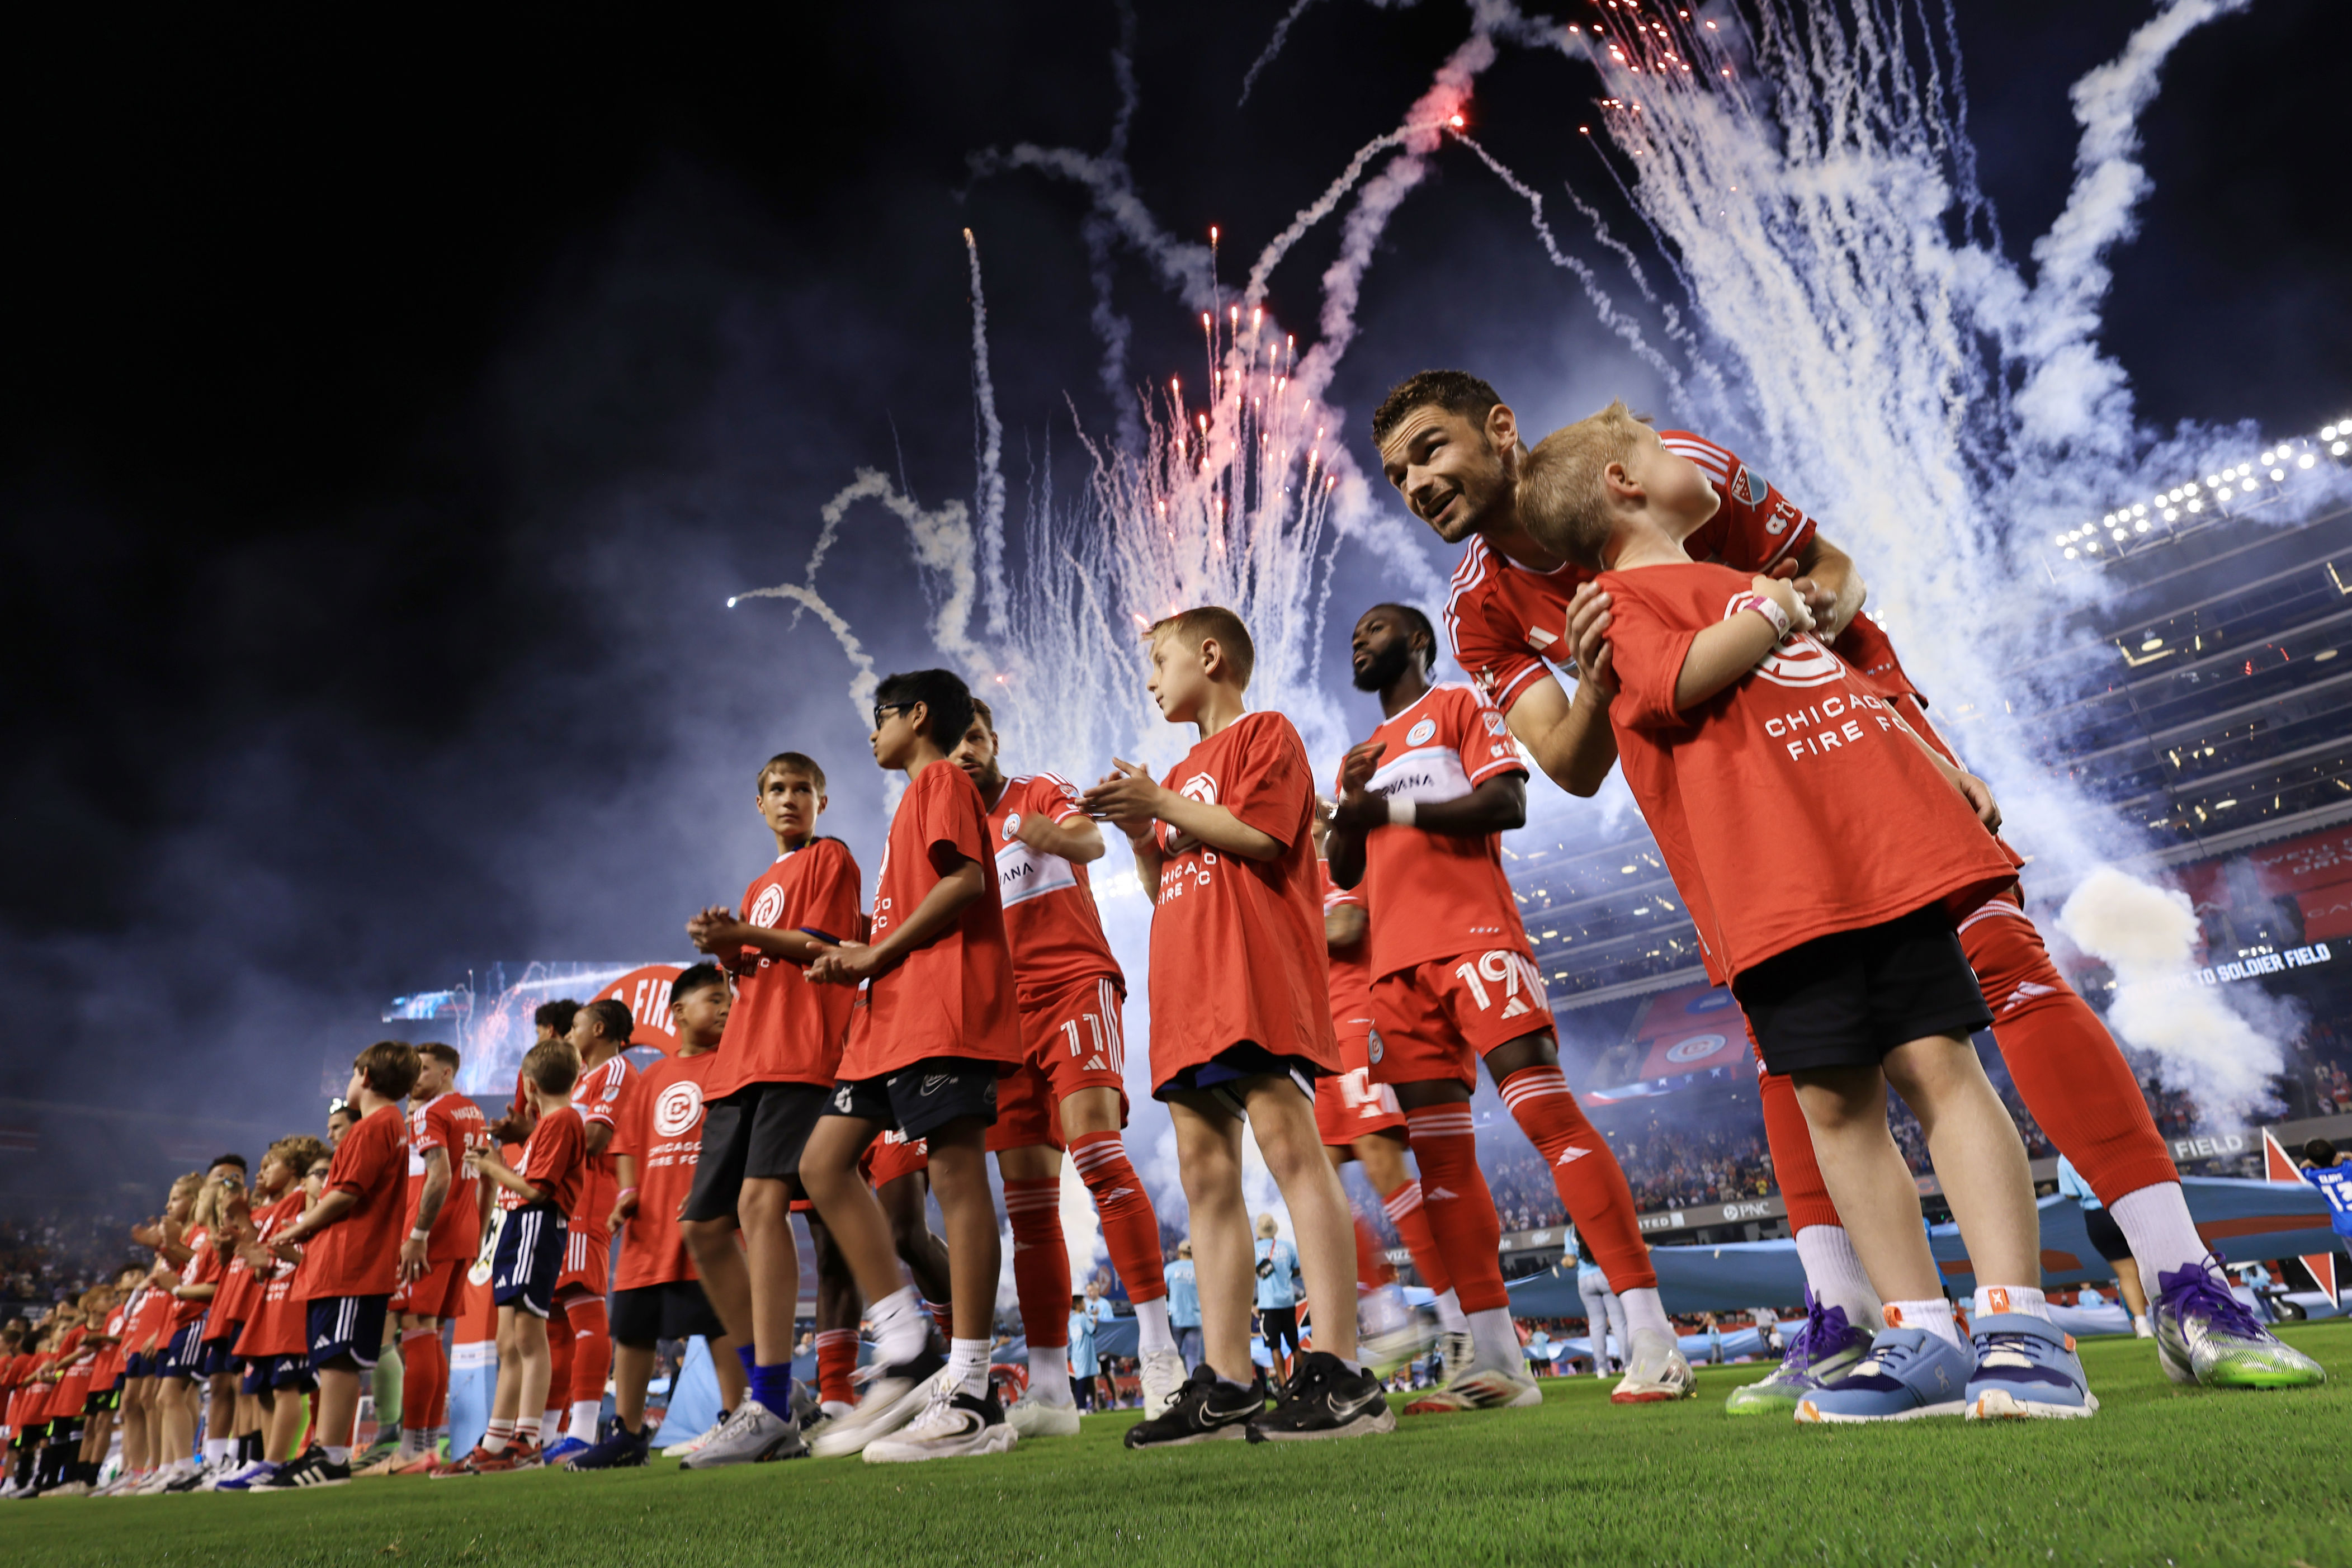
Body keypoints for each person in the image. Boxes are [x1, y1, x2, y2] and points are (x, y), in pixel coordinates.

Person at [1377, 367, 2324, 1400]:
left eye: (1430, 450)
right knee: (1793, 1044)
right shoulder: (1478, 606)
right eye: (1396, 474)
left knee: (2003, 960)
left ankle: (2183, 1281)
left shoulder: (1661, 467)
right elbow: (1567, 762)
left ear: (1499, 429)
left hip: (1847, 727)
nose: (1416, 483)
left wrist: (1833, 679)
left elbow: (1833, 569)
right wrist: (1606, 675)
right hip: (1731, 795)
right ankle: (1851, 1316)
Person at [1517, 401, 2093, 1423]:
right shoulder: (1615, 607)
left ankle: (2023, 1326)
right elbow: (1675, 681)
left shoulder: (1742, 584)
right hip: (1771, 895)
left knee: (1942, 1069)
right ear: (1624, 483)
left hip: (1875, 861)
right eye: (1655, 446)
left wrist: (1936, 766)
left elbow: (1845, 696)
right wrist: (1775, 610)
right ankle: (1922, 1332)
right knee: (1835, 1106)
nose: (1685, 455)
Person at [1324, 599, 1687, 1408]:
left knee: (1548, 1118)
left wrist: (1390, 807)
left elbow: (1507, 803)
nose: (1359, 637)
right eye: (1355, 632)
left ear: (1417, 640)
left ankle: (1653, 1335)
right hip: (1395, 975)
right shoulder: (1359, 755)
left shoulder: (1458, 705)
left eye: (1375, 627)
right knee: (1442, 1166)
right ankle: (1496, 1361)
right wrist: (1351, 804)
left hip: (1475, 940)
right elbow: (1344, 871)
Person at [1083, 607, 1393, 1446]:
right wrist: (1143, 835)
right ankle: (1226, 1384)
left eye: (1161, 660)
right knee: (1204, 1175)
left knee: (1290, 1148)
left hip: (1252, 978)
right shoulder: (1180, 771)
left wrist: (1159, 800)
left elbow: (1260, 837)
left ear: (1210, 656)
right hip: (1187, 993)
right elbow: (1168, 889)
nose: (1152, 680)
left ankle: (1341, 1369)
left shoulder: (1266, 734)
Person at [800, 669, 1027, 1462]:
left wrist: (874, 954)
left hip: (942, 1006)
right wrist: (858, 954)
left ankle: (973, 1392)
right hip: (892, 1017)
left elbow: (966, 881)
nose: (872, 732)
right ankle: (907, 1343)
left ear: (918, 715)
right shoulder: (913, 799)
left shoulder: (941, 781)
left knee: (958, 1180)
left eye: (881, 715)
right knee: (822, 1163)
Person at [949, 698, 1188, 1431]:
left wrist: (1041, 831)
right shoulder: (946, 834)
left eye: (974, 737)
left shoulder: (1036, 789)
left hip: (1071, 987)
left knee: (1098, 1155)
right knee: (1026, 1208)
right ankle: (1051, 1387)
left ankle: (1160, 1353)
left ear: (993, 740)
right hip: (1000, 1021)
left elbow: (1089, 843)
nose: (965, 752)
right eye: (953, 743)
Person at [677, 750, 862, 1468]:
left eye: (803, 788)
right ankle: (778, 1391)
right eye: (777, 789)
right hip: (741, 1062)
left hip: (797, 1054)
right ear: (759, 805)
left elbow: (824, 948)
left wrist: (743, 938)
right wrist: (727, 949)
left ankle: (772, 1401)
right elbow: (755, 971)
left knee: (761, 1206)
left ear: (822, 801)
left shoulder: (831, 858)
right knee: (703, 1227)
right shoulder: (759, 887)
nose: (790, 798)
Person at [569, 963, 749, 1469]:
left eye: (728, 1000)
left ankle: (738, 1419)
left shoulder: (733, 1067)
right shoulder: (651, 1078)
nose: (725, 1008)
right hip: (649, 1229)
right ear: (678, 1012)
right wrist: (628, 1193)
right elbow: (626, 1143)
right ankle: (628, 1435)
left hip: (708, 1225)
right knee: (633, 1327)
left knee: (721, 1322)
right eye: (714, 999)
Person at [1310, 808, 1460, 1377]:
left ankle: (1457, 1313)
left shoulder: (1345, 863)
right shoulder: (1291, 879)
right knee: (1318, 1181)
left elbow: (1346, 929)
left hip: (1357, 1026)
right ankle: (1387, 1315)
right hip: (1315, 1042)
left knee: (1382, 1164)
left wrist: (1284, 933)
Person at [258, 1041, 419, 1486]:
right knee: (334, 1360)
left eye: (351, 1074)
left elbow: (347, 1193)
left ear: (365, 1076)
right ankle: (325, 1452)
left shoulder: (373, 1127)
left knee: (338, 1360)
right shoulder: (388, 1124)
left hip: (350, 1263)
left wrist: (299, 1227)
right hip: (346, 1263)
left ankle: (330, 1455)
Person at [437, 1037, 586, 1475]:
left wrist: (492, 1168)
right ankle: (497, 1441)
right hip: (520, 1230)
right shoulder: (550, 1125)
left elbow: (537, 1192)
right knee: (507, 1341)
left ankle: (528, 1440)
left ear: (530, 1085)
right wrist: (498, 1160)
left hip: (536, 1229)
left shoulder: (563, 1121)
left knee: (529, 1340)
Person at [362, 1041, 488, 1476]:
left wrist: (417, 1235)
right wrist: (476, 1233)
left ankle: (413, 1450)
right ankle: (427, 1446)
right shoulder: (472, 1112)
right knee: (430, 1335)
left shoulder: (430, 1114)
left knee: (416, 1332)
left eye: (424, 1069)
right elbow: (485, 1178)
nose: (415, 1078)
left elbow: (439, 1174)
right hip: (460, 1232)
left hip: (429, 1235)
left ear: (447, 1073)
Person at [542, 998, 642, 1461]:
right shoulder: (582, 1078)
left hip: (588, 1202)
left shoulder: (616, 1070)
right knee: (557, 1325)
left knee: (585, 1313)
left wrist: (549, 1142)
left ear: (599, 1030)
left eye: (575, 1026)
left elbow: (598, 1138)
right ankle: (546, 1434)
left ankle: (582, 1431)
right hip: (566, 1201)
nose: (568, 1035)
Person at [212, 1135, 332, 1490]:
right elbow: (264, 1256)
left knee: (285, 1387)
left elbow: (306, 1253)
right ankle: (265, 1461)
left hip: (291, 1304)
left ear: (293, 1168)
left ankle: (278, 1462)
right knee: (265, 1389)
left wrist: (259, 1244)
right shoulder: (277, 1207)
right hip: (267, 1302)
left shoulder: (304, 1200)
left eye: (269, 1166)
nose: (261, 1173)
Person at [2057, 1153, 2151, 1338]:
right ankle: (2171, 1318)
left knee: (2126, 1273)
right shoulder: (2106, 1143)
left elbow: (2070, 1193)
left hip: (2097, 1218)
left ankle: (2143, 1325)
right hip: (2126, 1207)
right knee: (2154, 1265)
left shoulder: (2065, 1158)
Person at [1251, 1215, 1303, 1384]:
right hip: (1288, 1302)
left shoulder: (1255, 1249)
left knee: (1275, 1347)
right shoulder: (1287, 1246)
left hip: (1268, 1305)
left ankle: (1284, 1385)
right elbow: (1297, 1271)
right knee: (1294, 1345)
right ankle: (1304, 1381)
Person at [1574, 1233, 1627, 1377]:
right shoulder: (1598, 1223)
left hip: (1584, 1280)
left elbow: (1570, 1261)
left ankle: (1602, 1369)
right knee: (1618, 1323)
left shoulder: (1570, 1232)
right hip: (1606, 1274)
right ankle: (1628, 1365)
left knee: (1596, 1326)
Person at [1166, 1241, 1203, 1373]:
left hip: (1176, 1319)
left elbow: (1162, 1291)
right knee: (1193, 1358)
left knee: (1172, 1358)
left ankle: (1173, 1383)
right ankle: (1194, 1384)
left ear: (1180, 1253)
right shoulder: (1200, 1269)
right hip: (1196, 1320)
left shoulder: (1171, 1269)